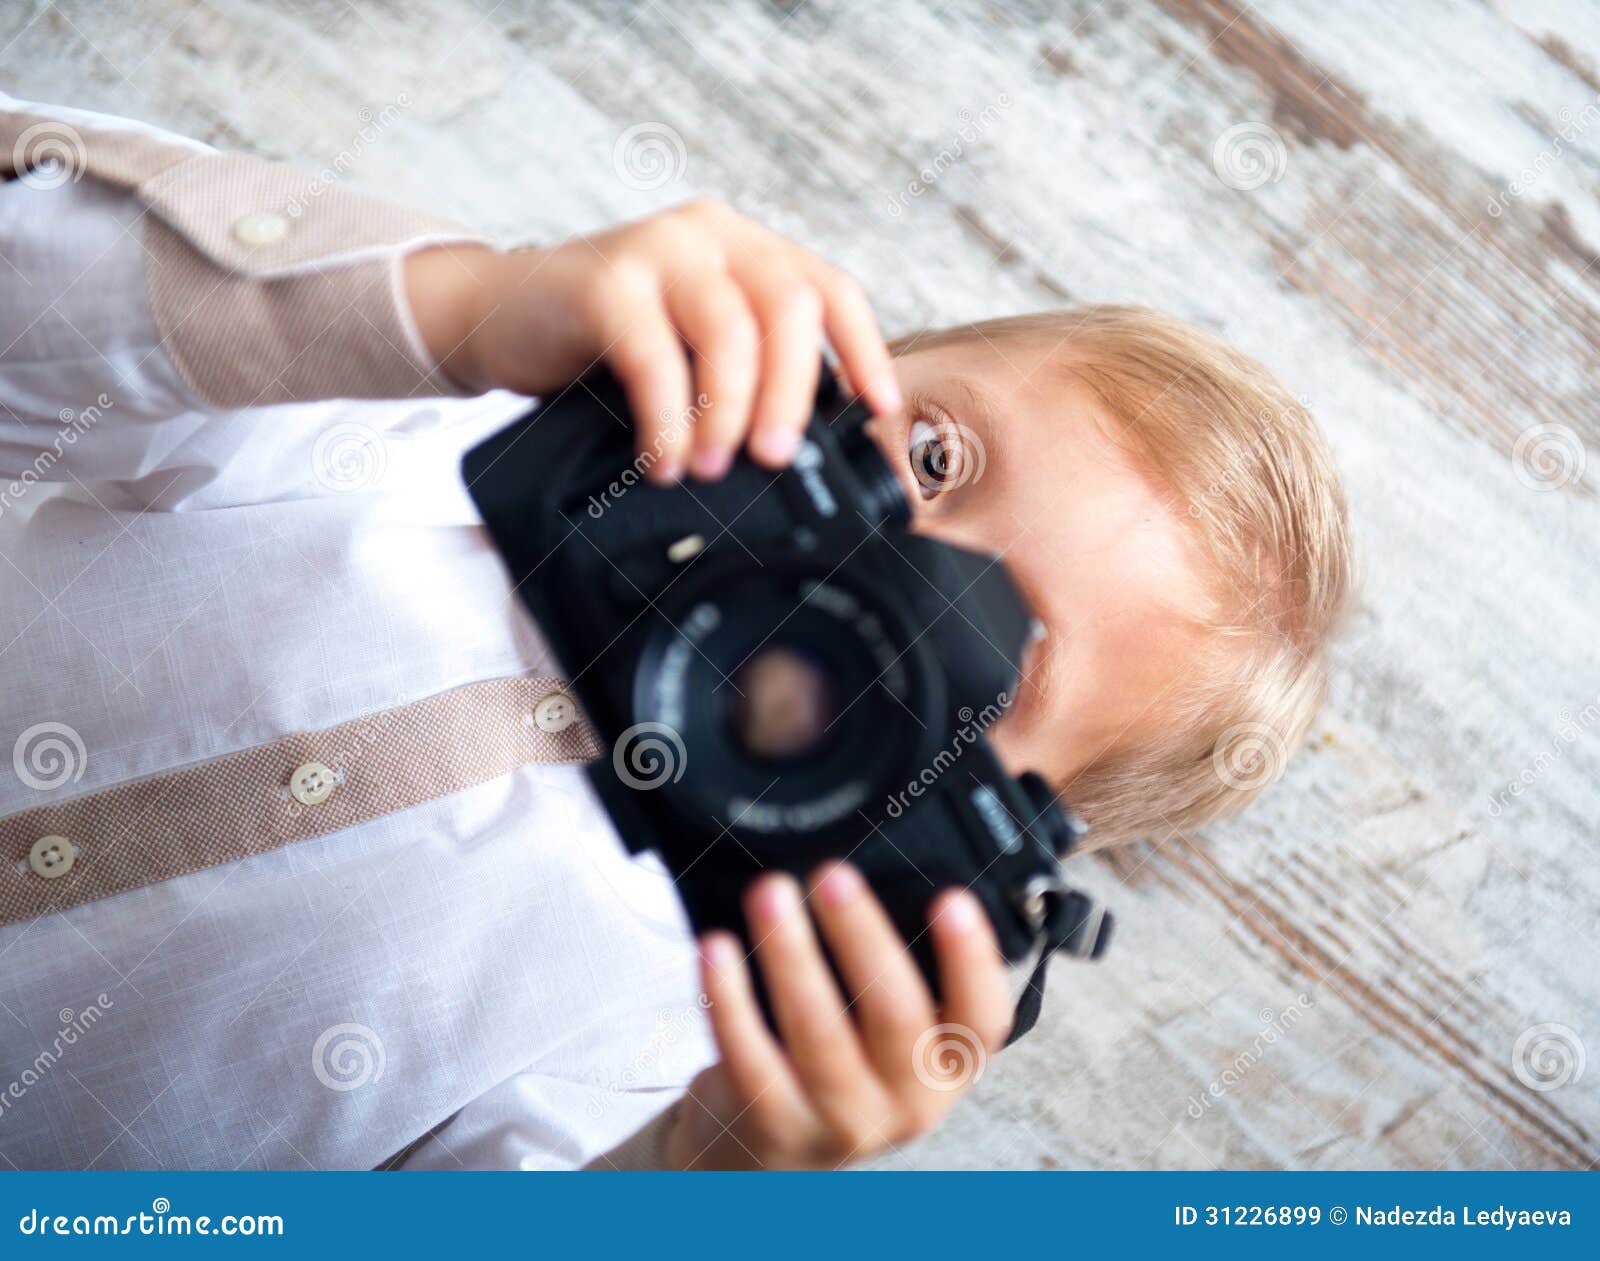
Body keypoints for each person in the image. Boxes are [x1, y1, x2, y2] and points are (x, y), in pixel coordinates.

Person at [0, 95, 1349, 1170]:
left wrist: (701, 1165)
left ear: (988, 842)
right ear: (842, 359)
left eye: (985, 665)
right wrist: (451, 306)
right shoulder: (444, 410)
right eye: (930, 456)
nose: (886, 585)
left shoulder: (686, 1037)